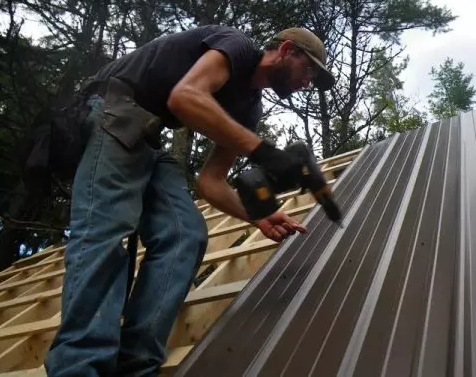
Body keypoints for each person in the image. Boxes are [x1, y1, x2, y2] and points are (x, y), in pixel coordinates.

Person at [44, 25, 335, 376]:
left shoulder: (249, 110)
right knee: (107, 229)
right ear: (287, 49)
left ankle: (136, 364)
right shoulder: (239, 47)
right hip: (110, 107)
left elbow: (210, 182)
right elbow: (184, 96)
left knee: (186, 234)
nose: (307, 83)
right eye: (309, 71)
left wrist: (255, 217)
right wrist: (263, 151)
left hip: (144, 136)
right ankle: (80, 365)